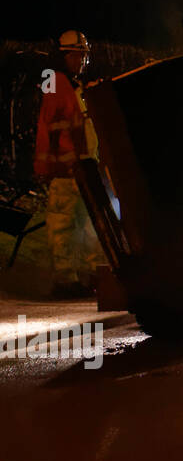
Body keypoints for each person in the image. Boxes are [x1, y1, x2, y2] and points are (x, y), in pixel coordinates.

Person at [33, 30, 106, 297]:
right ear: (65, 56)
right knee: (64, 227)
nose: (82, 61)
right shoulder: (56, 83)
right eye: (78, 55)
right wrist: (48, 167)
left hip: (81, 169)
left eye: (83, 56)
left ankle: (86, 279)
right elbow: (48, 128)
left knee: (86, 227)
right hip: (67, 172)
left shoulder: (73, 86)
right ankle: (66, 282)